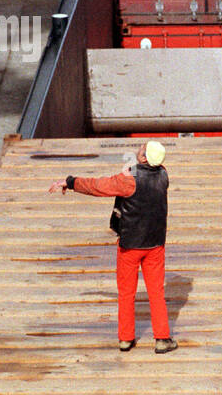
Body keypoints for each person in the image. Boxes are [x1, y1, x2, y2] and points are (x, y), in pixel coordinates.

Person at [49, 140, 177, 354]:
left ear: (144, 157)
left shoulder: (128, 180)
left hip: (130, 245)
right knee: (156, 292)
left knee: (127, 293)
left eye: (142, 148)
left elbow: (98, 186)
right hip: (155, 244)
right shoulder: (164, 175)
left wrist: (70, 182)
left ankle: (126, 339)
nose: (139, 148)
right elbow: (150, 175)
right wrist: (129, 171)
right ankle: (162, 339)